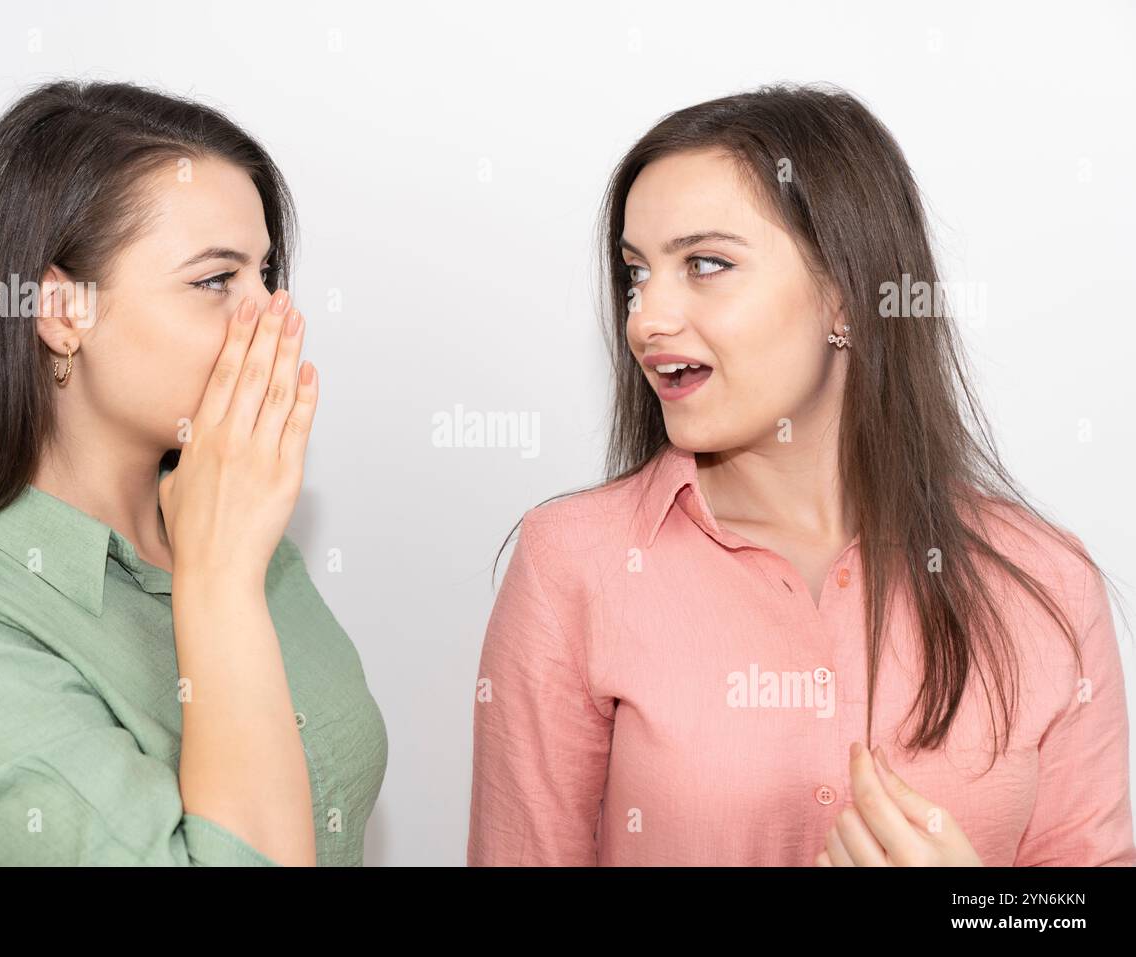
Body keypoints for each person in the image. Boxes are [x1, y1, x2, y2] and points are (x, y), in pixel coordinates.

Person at [468, 83, 1135, 867]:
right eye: (636, 273)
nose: (646, 318)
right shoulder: (571, 563)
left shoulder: (1046, 580)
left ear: (844, 296)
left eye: (706, 263)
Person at [0, 80, 386, 866]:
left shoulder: (257, 543)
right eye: (214, 281)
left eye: (266, 275)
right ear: (62, 313)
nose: (270, 319)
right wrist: (221, 581)